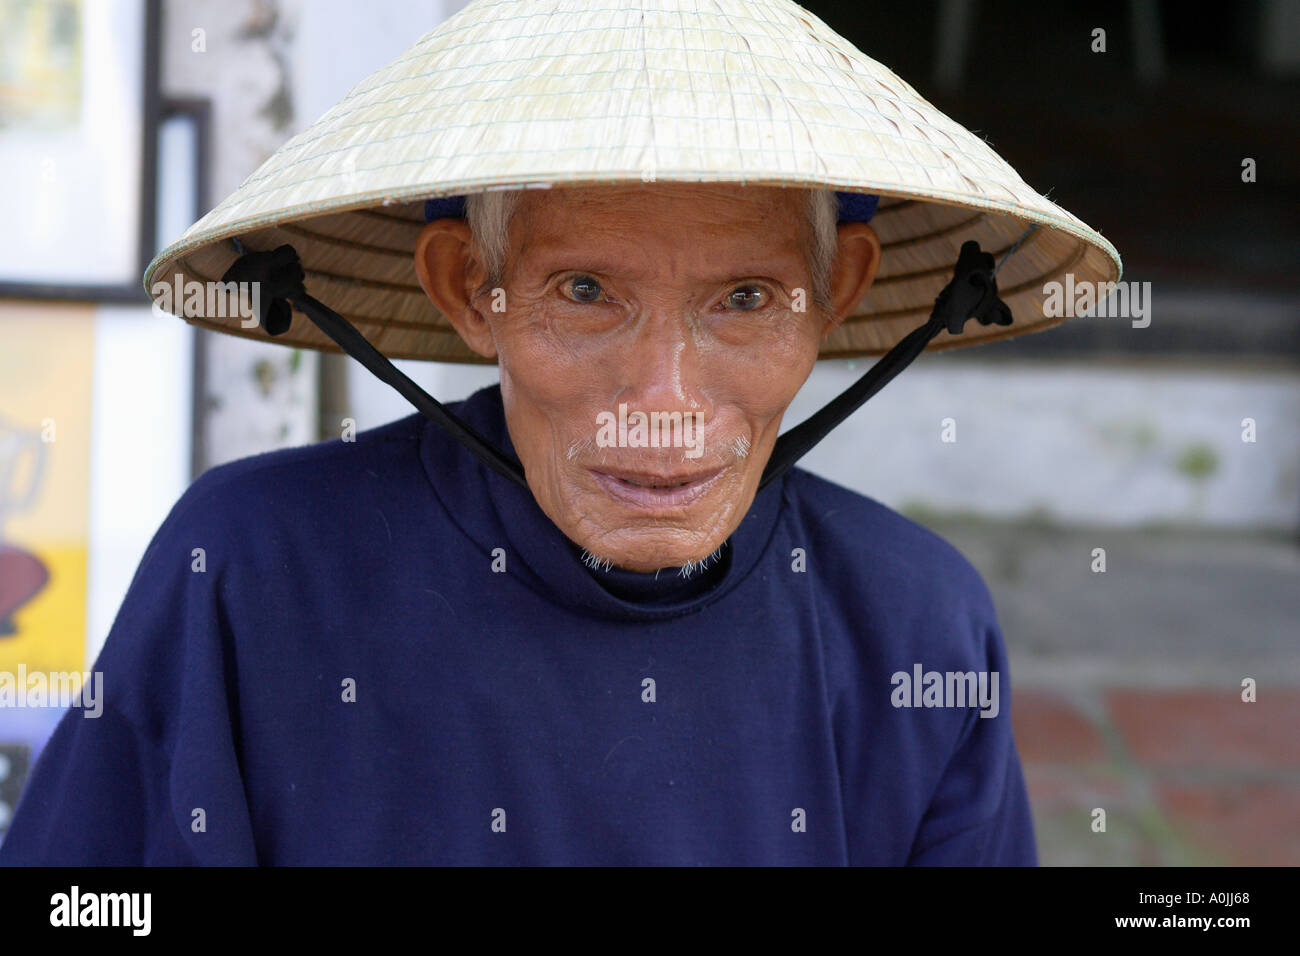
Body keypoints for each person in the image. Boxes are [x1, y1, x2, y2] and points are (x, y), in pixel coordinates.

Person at [0, 0, 1121, 865]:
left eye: (744, 299)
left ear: (837, 297)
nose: (661, 397)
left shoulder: (915, 627)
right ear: (466, 287)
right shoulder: (252, 567)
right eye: (585, 290)